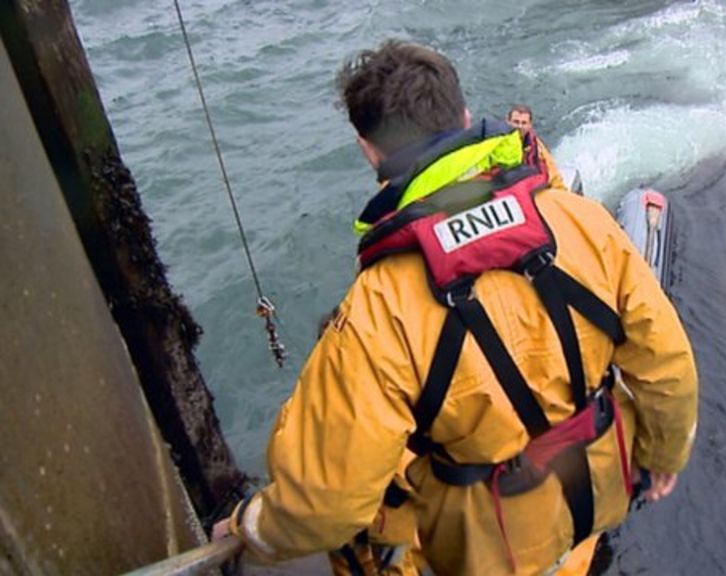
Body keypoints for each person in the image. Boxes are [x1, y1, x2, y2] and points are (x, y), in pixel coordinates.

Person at [215, 40, 698, 575]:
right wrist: (662, 457)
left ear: (368, 150)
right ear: (466, 117)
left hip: (489, 547)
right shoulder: (580, 220)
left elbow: (328, 503)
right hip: (592, 494)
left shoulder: (378, 307)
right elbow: (667, 365)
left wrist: (249, 527)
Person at [507, 104, 567, 191]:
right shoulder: (496, 142)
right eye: (516, 122)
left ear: (529, 125)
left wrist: (562, 192)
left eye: (524, 123)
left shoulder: (536, 146)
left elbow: (552, 171)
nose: (519, 127)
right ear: (508, 121)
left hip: (527, 189)